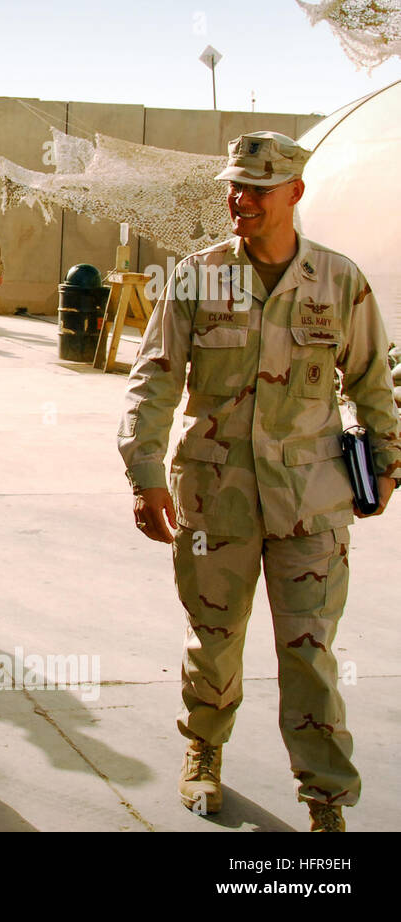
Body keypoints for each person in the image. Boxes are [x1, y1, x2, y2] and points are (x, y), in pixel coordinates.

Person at [118, 131, 401, 832]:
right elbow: (153, 380)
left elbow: (373, 380)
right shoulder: (198, 276)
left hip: (312, 502)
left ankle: (326, 798)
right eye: (233, 187)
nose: (239, 200)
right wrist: (145, 473)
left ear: (294, 194)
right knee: (213, 637)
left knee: (309, 652)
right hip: (218, 501)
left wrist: (389, 463)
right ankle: (204, 748)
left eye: (257, 188)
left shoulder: (339, 281)